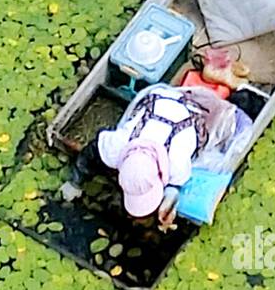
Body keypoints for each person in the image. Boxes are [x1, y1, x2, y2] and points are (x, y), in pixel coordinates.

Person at [94, 83, 240, 226]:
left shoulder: (176, 162)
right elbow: (92, 149)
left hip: (189, 110)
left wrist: (170, 200)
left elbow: (175, 185)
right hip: (161, 97)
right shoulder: (116, 146)